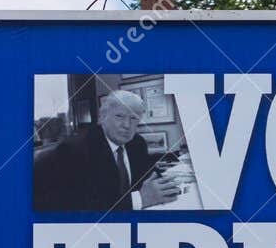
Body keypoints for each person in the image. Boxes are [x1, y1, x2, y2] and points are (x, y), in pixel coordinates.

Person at [32, 89, 178, 212]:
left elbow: (144, 175)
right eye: (119, 116)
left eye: (134, 118)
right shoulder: (74, 150)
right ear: (103, 117)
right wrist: (140, 199)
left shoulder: (136, 142)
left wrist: (165, 184)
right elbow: (78, 205)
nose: (127, 125)